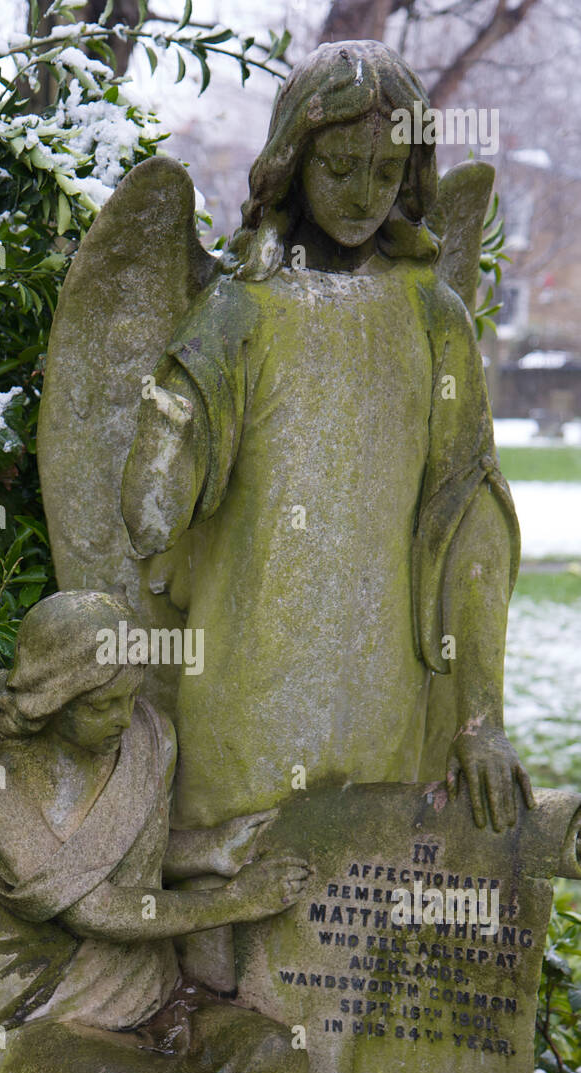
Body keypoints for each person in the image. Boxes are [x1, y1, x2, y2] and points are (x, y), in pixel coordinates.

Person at [121, 39, 532, 838]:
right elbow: (150, 510)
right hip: (246, 673)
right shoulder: (242, 309)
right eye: (339, 168)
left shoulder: (430, 314)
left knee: (353, 912)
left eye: (386, 175)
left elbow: (467, 513)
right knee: (229, 901)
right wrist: (171, 425)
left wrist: (479, 717)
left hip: (378, 685)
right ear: (292, 161)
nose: (362, 197)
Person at [0, 589, 310, 1073]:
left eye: (129, 696)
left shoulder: (146, 738)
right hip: (51, 1034)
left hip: (159, 1008)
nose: (122, 717)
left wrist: (213, 849)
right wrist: (234, 901)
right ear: (52, 698)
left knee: (273, 1064)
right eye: (101, 704)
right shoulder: (0, 794)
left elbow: (134, 860)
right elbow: (99, 908)